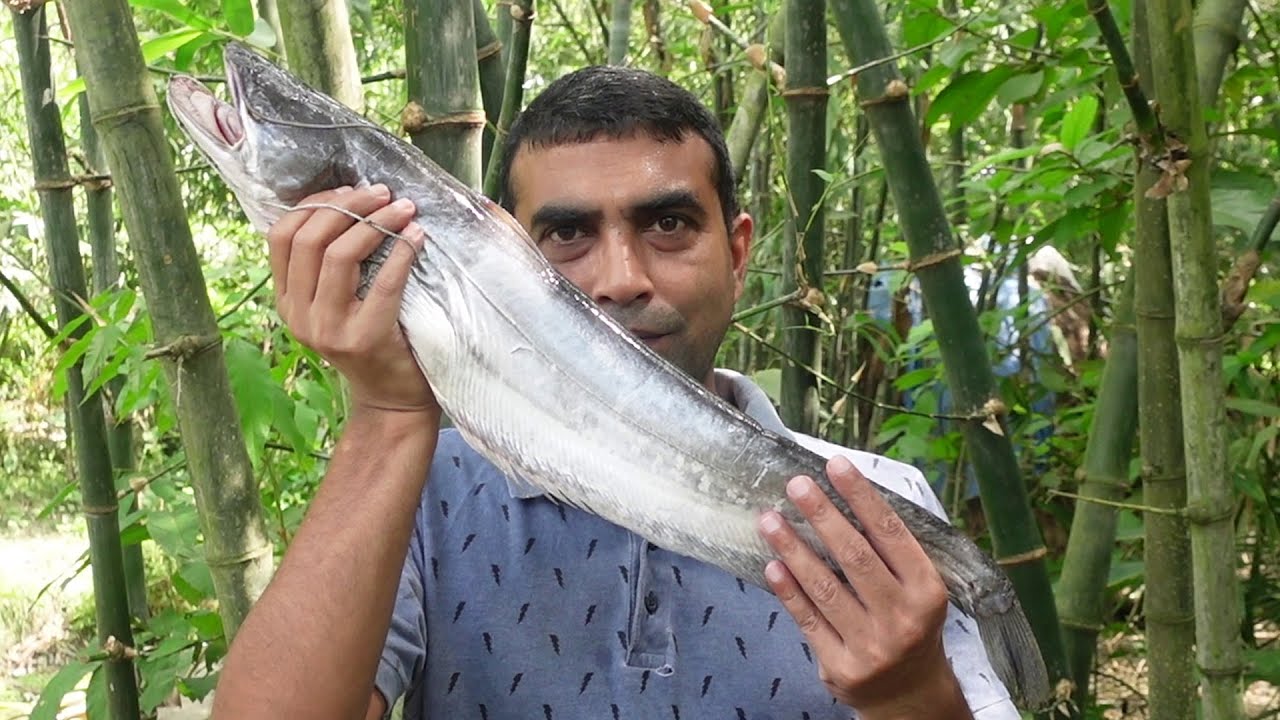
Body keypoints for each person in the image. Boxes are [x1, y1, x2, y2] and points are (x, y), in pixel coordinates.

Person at [210, 66, 1019, 720]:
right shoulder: (419, 493)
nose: (621, 279)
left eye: (668, 225)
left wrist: (914, 698)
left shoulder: (878, 507)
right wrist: (386, 418)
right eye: (566, 236)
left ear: (737, 254)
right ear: (501, 260)